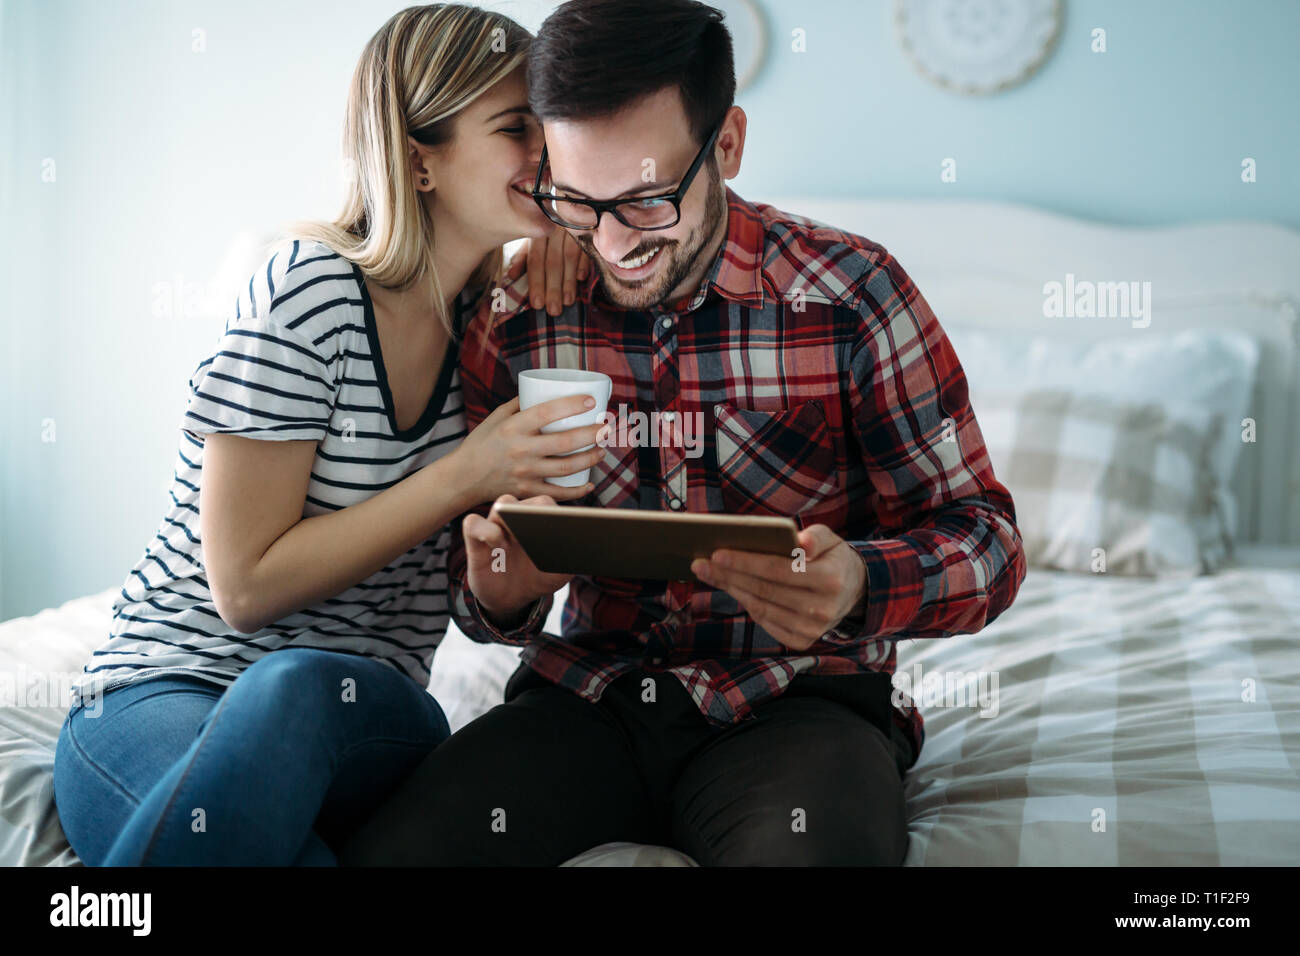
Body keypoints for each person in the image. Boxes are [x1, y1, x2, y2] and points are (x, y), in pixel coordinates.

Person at [339, 0, 1028, 867]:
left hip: (800, 705)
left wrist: (859, 582)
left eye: (645, 201)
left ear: (728, 145)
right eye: (578, 202)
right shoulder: (515, 315)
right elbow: (479, 603)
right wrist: (501, 586)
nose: (613, 243)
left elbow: (990, 541)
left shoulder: (851, 295)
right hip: (583, 702)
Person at [52, 3, 594, 866]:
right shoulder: (310, 290)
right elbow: (243, 585)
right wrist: (463, 473)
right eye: (515, 127)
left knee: (302, 685)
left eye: (549, 126)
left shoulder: (505, 333)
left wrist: (580, 237)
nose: (549, 152)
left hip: (365, 714)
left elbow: (487, 593)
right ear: (420, 160)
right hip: (166, 687)